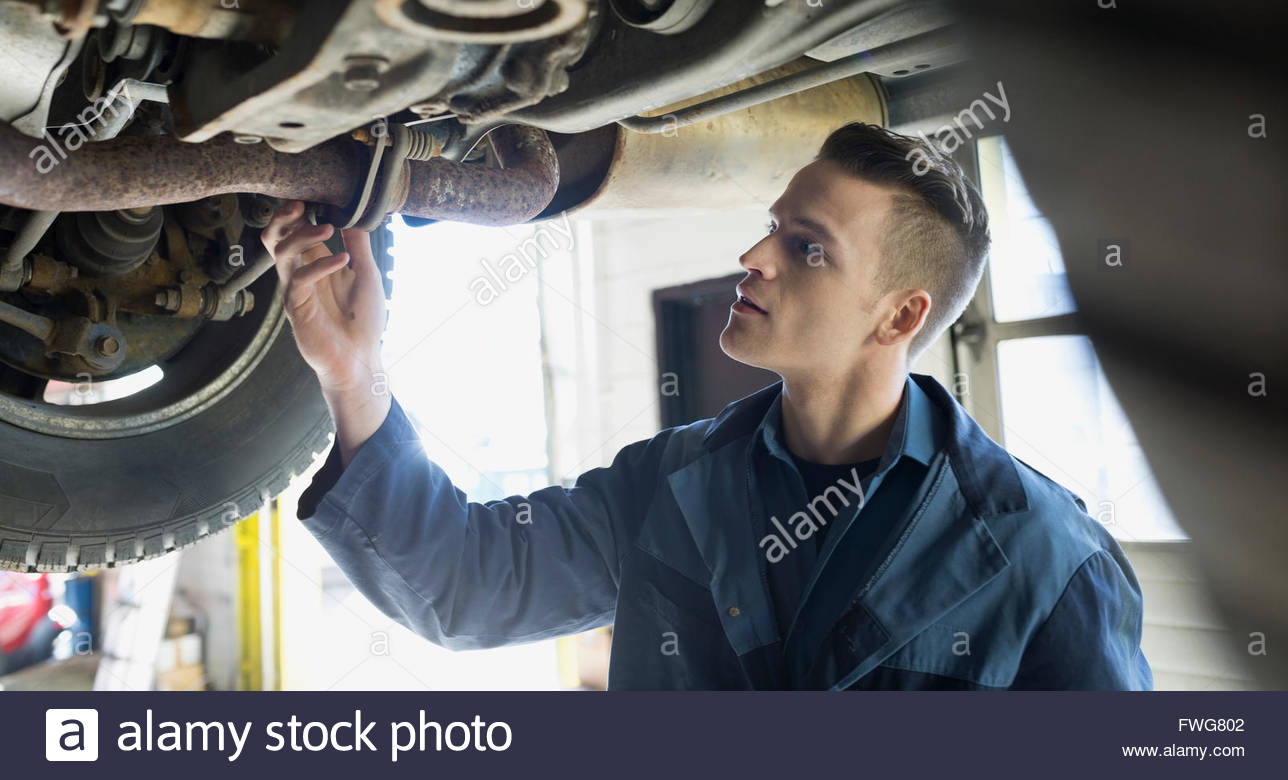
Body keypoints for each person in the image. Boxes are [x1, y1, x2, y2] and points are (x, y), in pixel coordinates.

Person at [261, 121, 1153, 690]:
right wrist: (353, 371)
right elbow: (466, 583)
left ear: (902, 315)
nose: (754, 255)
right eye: (772, 224)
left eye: (806, 248)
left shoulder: (1041, 557)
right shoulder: (674, 482)